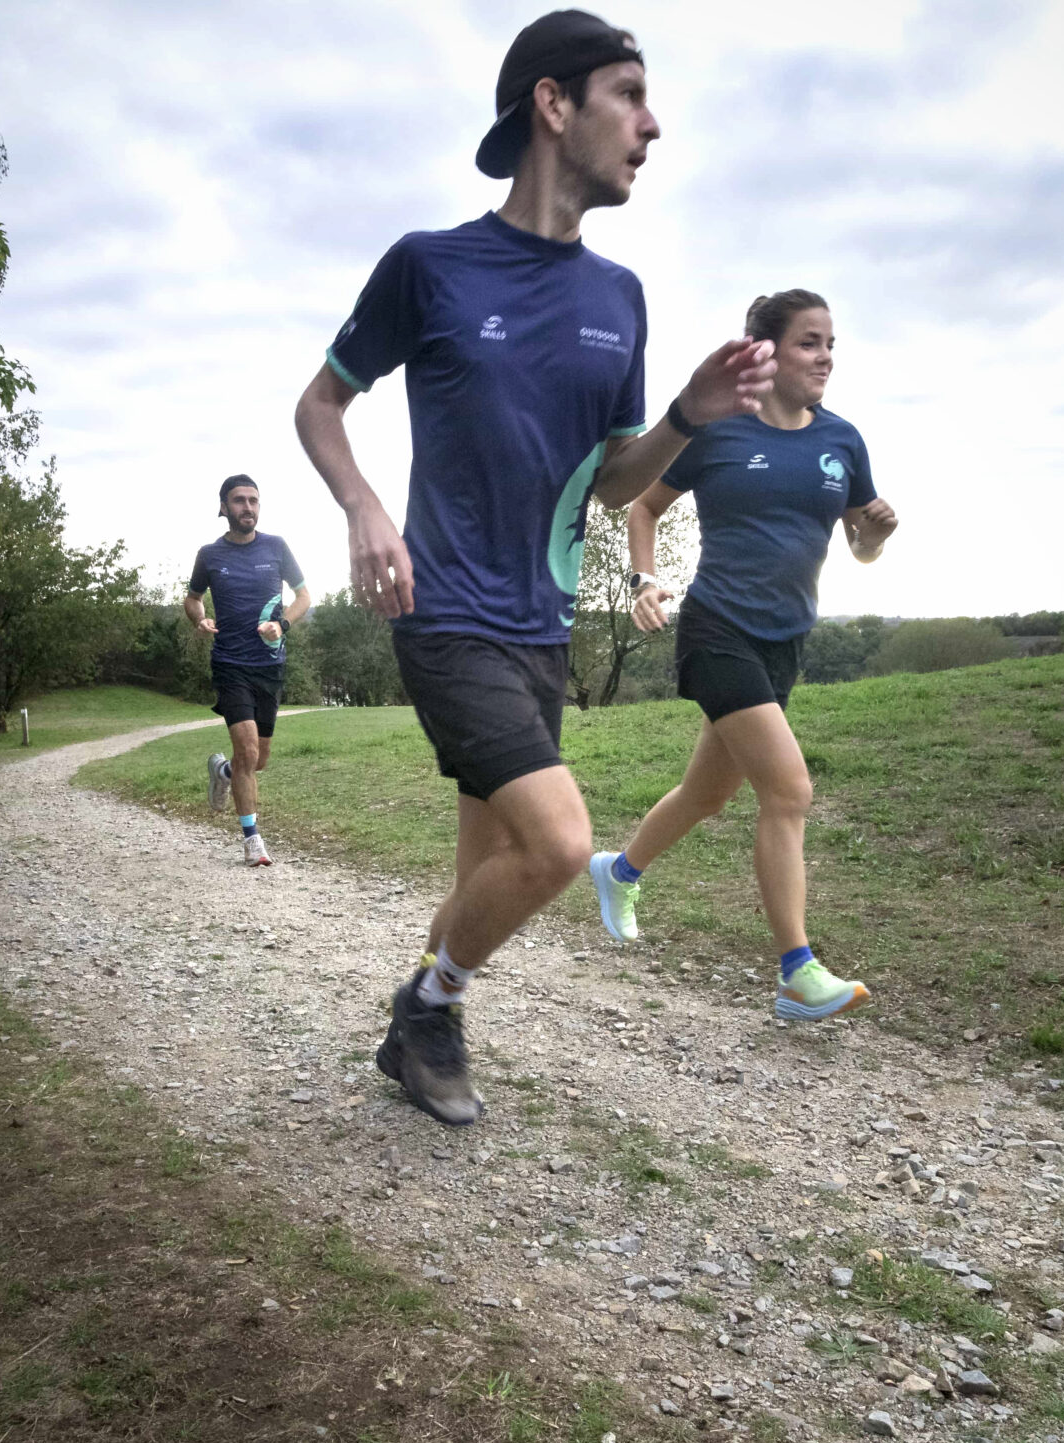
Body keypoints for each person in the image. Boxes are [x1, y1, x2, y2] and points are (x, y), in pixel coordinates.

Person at [294, 9, 777, 1124]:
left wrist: (689, 418)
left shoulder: (620, 299)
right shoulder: (431, 267)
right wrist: (366, 507)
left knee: (486, 868)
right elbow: (321, 404)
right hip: (444, 609)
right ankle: (430, 1009)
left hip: (539, 624)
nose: (651, 127)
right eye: (628, 96)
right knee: (560, 843)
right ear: (552, 106)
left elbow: (614, 483)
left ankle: (421, 1028)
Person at [586, 289, 899, 1019]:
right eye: (808, 343)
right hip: (717, 628)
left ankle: (620, 869)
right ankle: (797, 970)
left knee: (710, 793)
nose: (825, 357)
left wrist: (876, 536)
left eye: (830, 344)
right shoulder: (718, 433)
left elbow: (859, 546)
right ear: (767, 351)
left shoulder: (842, 441)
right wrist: (645, 580)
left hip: (784, 641)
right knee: (787, 790)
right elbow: (642, 505)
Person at [185, 474, 310, 866]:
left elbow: (305, 596)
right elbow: (192, 599)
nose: (247, 507)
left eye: (253, 500)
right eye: (239, 501)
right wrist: (200, 620)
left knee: (256, 762)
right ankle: (252, 839)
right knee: (248, 749)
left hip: (269, 665)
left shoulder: (277, 547)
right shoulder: (209, 555)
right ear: (224, 507)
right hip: (230, 663)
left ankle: (222, 771)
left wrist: (283, 624)